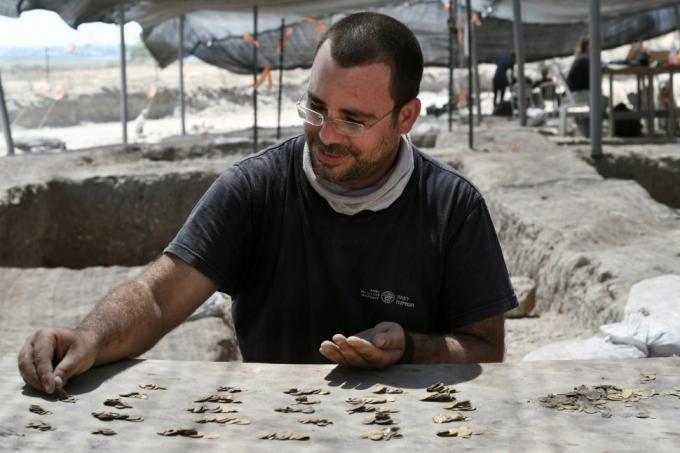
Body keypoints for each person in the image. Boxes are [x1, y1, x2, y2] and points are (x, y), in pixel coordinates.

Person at [18, 13, 518, 395]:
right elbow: (157, 296)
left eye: (353, 120)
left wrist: (410, 349)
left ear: (406, 117)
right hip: (272, 426)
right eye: (316, 108)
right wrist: (88, 337)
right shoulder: (254, 189)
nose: (326, 135)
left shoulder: (453, 206)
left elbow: (485, 348)